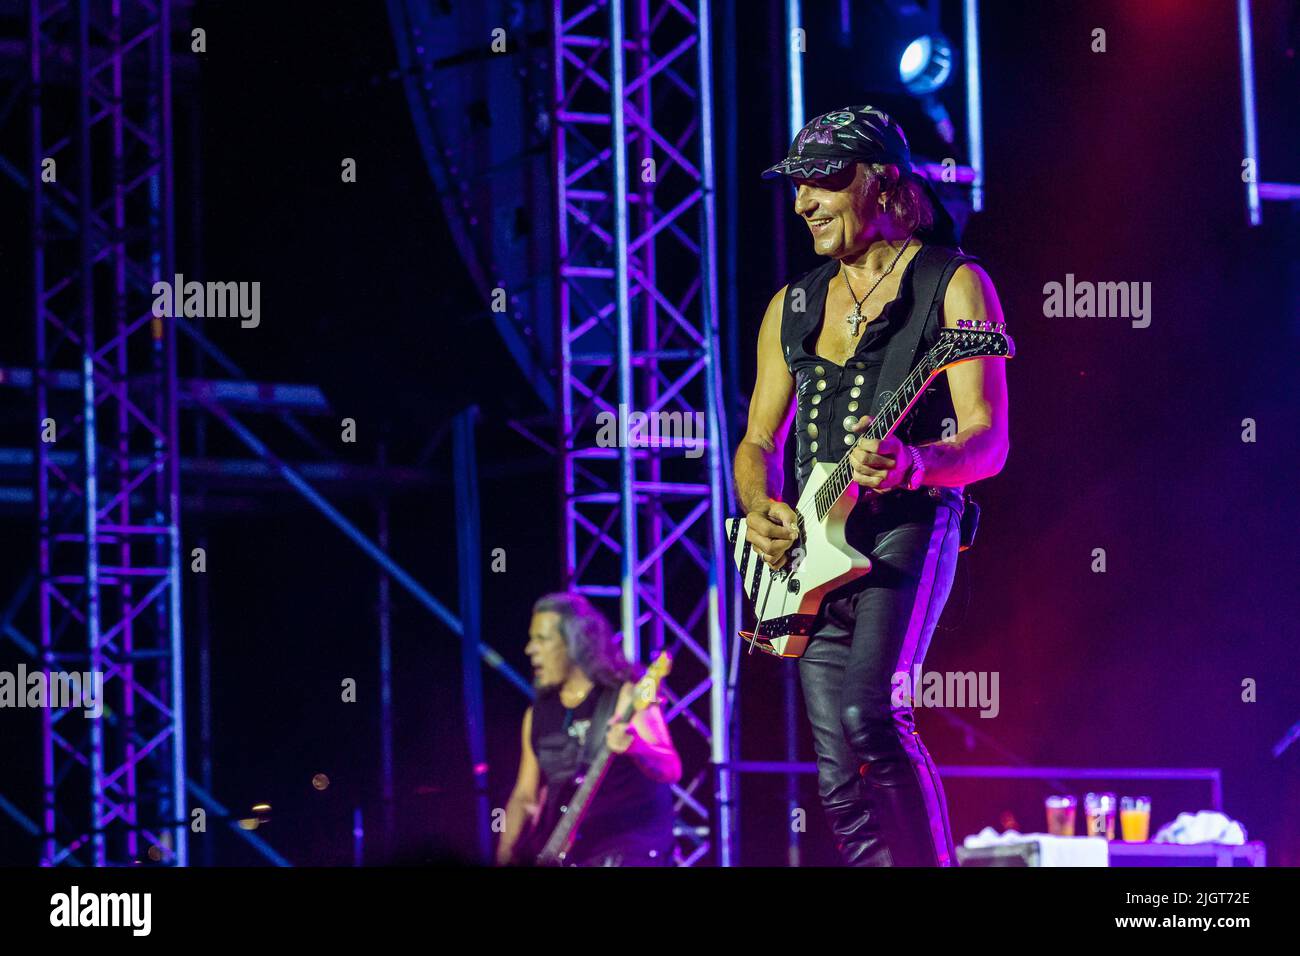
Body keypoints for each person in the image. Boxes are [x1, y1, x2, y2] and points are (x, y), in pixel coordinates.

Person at [733, 105, 1010, 866]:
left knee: (872, 714)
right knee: (834, 774)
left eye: (820, 183)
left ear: (881, 181)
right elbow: (758, 441)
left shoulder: (954, 283)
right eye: (795, 189)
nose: (802, 204)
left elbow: (987, 441)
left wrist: (917, 464)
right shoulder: (790, 305)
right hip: (808, 559)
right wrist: (759, 509)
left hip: (906, 528)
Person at [497, 592, 681, 866]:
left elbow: (670, 768)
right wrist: (505, 852)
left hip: (625, 851)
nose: (530, 649)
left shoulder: (625, 695)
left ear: (576, 644)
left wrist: (635, 746)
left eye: (542, 639)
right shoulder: (536, 714)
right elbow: (525, 796)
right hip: (567, 854)